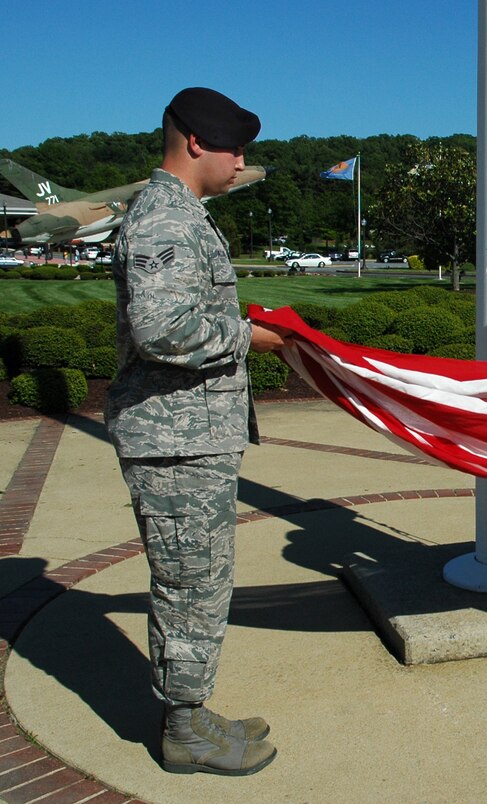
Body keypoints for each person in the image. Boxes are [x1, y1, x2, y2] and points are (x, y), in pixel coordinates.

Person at [106, 87, 290, 776]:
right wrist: (249, 336)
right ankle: (184, 729)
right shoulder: (163, 218)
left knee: (202, 582)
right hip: (174, 440)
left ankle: (192, 707)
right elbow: (161, 331)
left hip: (190, 435)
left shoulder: (181, 213)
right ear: (194, 143)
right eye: (234, 148)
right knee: (190, 586)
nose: (241, 161)